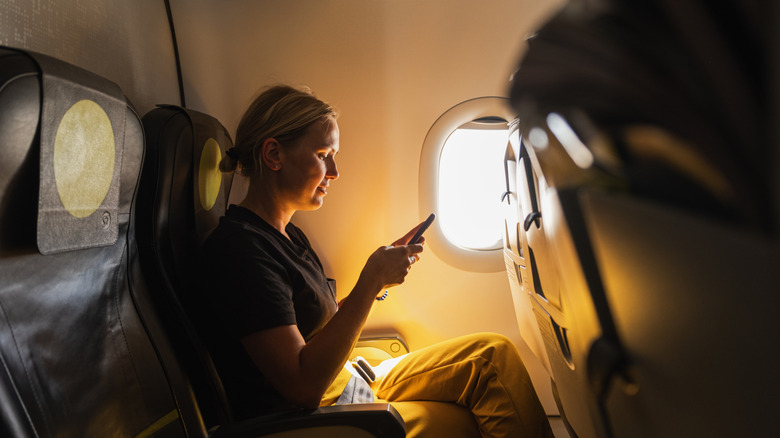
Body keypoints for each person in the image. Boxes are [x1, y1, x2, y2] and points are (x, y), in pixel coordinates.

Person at [198, 84, 553, 437]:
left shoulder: (287, 235)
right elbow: (303, 387)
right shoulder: (242, 252)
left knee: (492, 356)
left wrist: (379, 281)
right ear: (273, 155)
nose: (334, 171)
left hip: (347, 379)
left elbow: (315, 328)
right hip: (320, 415)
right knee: (468, 421)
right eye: (323, 154)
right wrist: (368, 282)